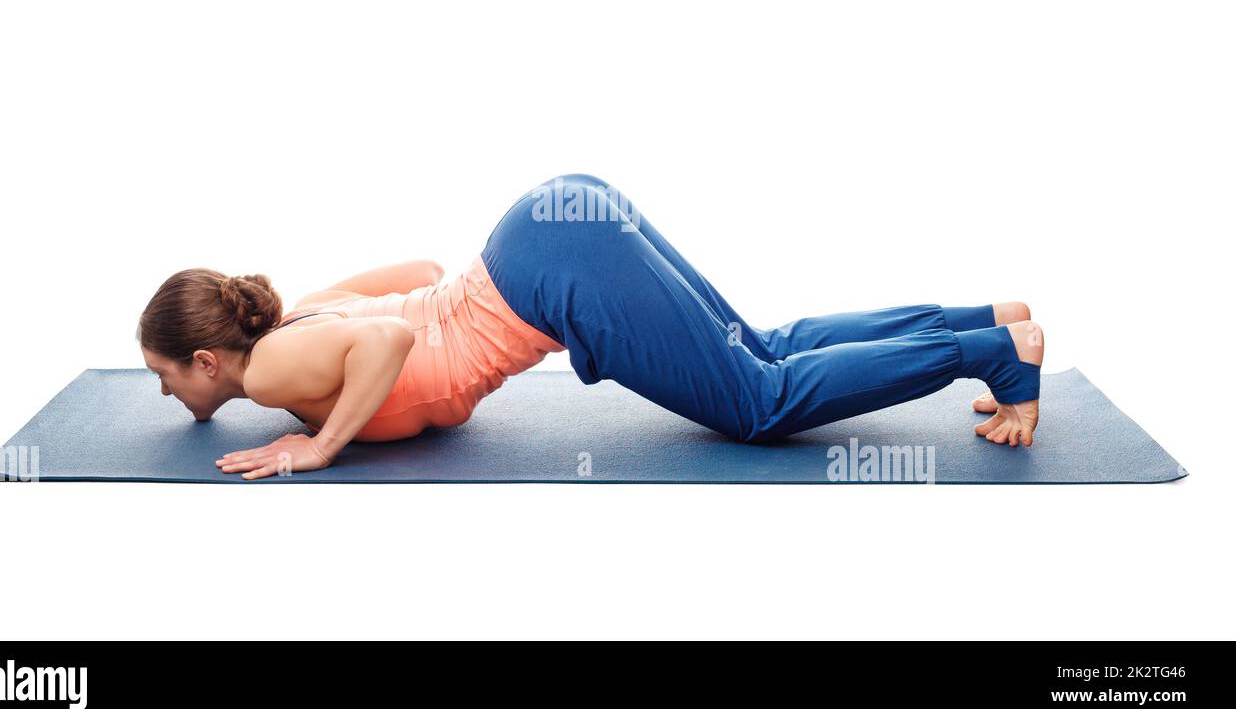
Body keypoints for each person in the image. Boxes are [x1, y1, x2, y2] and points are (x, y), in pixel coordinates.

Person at [137, 173, 1042, 480]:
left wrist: (323, 445)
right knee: (754, 351)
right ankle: (982, 318)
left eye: (165, 374)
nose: (166, 391)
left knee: (758, 404)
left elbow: (392, 339)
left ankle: (994, 355)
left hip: (557, 275)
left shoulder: (270, 375)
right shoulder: (298, 320)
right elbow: (415, 283)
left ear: (209, 357)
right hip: (545, 229)